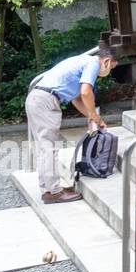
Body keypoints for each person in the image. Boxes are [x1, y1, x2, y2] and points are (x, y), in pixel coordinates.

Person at [25, 46, 117, 203]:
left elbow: (77, 99)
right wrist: (94, 114)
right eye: (112, 68)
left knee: (44, 147)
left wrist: (93, 118)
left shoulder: (81, 61)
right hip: (45, 101)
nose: (109, 72)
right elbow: (85, 92)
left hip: (37, 98)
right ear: (107, 61)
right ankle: (54, 192)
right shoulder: (92, 63)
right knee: (49, 148)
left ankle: (48, 189)